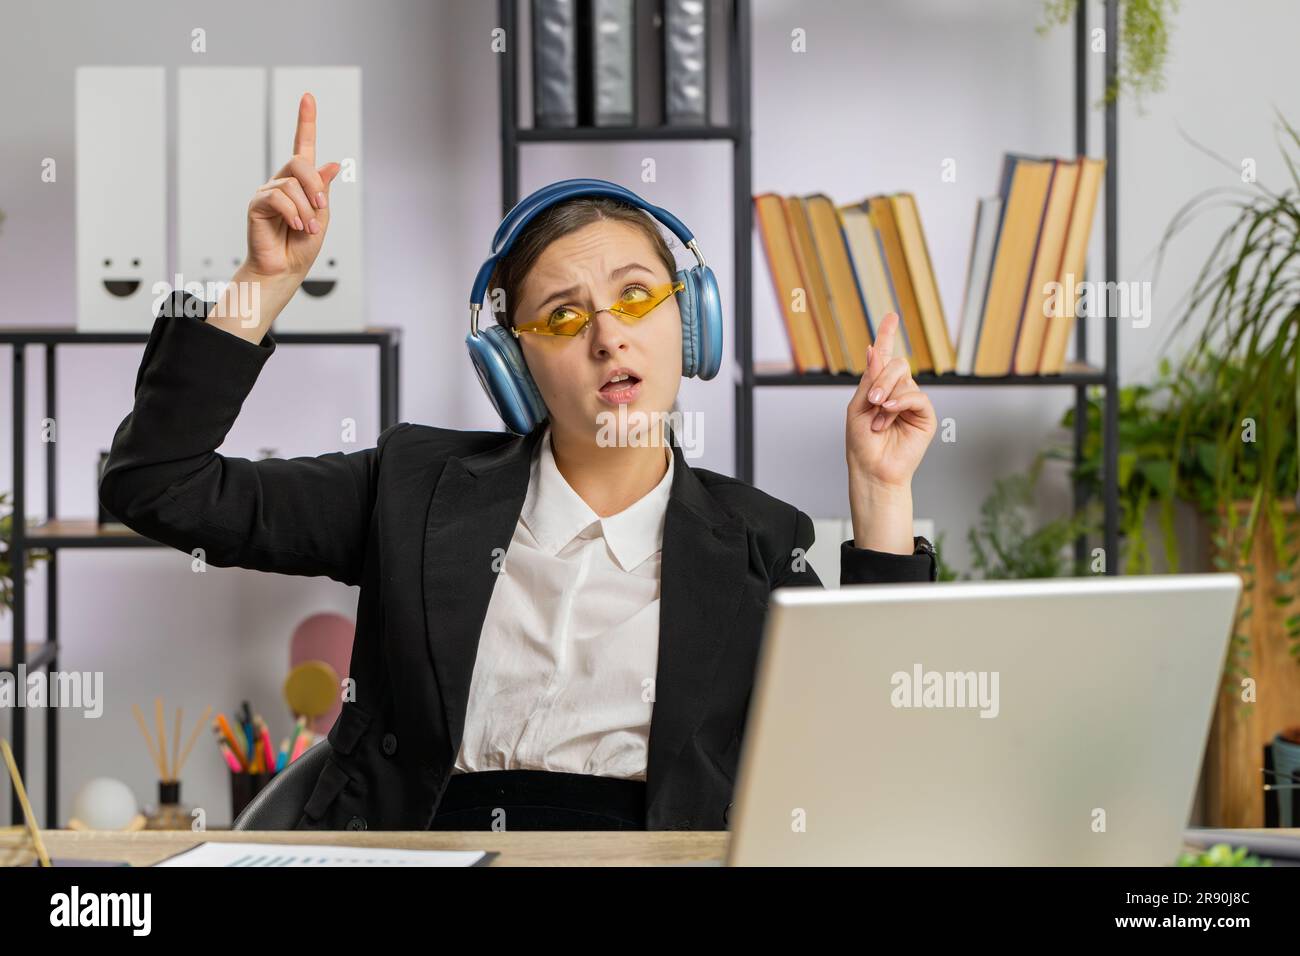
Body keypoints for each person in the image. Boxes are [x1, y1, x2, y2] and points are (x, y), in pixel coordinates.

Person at [100, 92, 940, 831]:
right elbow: (159, 485)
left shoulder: (760, 538)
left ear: (691, 329)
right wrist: (261, 284)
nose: (609, 333)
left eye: (637, 296)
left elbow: (873, 748)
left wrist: (880, 491)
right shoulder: (412, 490)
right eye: (564, 317)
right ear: (513, 364)